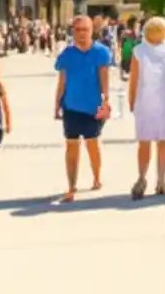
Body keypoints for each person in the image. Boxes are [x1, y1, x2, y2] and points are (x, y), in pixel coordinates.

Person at [53, 15, 112, 203]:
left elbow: (104, 80)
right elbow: (62, 81)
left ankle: (97, 177)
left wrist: (105, 102)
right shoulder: (66, 55)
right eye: (77, 30)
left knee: (92, 144)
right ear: (73, 32)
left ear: (91, 31)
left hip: (92, 107)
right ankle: (71, 186)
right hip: (71, 106)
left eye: (85, 30)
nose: (81, 34)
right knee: (71, 146)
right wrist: (56, 104)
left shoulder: (101, 52)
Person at [128, 17, 165, 199]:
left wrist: (131, 100)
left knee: (144, 142)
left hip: (145, 101)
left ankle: (142, 177)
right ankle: (161, 179)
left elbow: (134, 79)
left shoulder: (138, 51)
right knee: (163, 143)